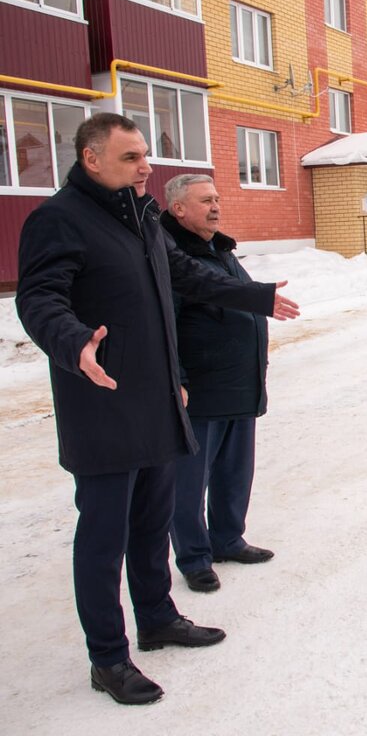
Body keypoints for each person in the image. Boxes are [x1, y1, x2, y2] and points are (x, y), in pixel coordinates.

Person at [15, 113, 300, 705]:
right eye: (131, 157)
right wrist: (73, 343)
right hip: (101, 406)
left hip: (156, 402)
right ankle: (108, 659)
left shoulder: (141, 217)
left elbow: (186, 277)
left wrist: (256, 297)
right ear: (91, 159)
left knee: (151, 526)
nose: (146, 166)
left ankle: (157, 618)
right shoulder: (58, 220)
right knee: (103, 539)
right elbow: (39, 297)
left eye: (145, 154)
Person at [159, 175, 275, 596]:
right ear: (178, 209)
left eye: (217, 199)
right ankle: (193, 557)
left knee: (234, 471)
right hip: (201, 392)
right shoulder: (172, 256)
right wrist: (179, 380)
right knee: (189, 481)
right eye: (205, 200)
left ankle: (227, 539)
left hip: (239, 385)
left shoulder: (220, 250)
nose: (215, 207)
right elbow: (165, 327)